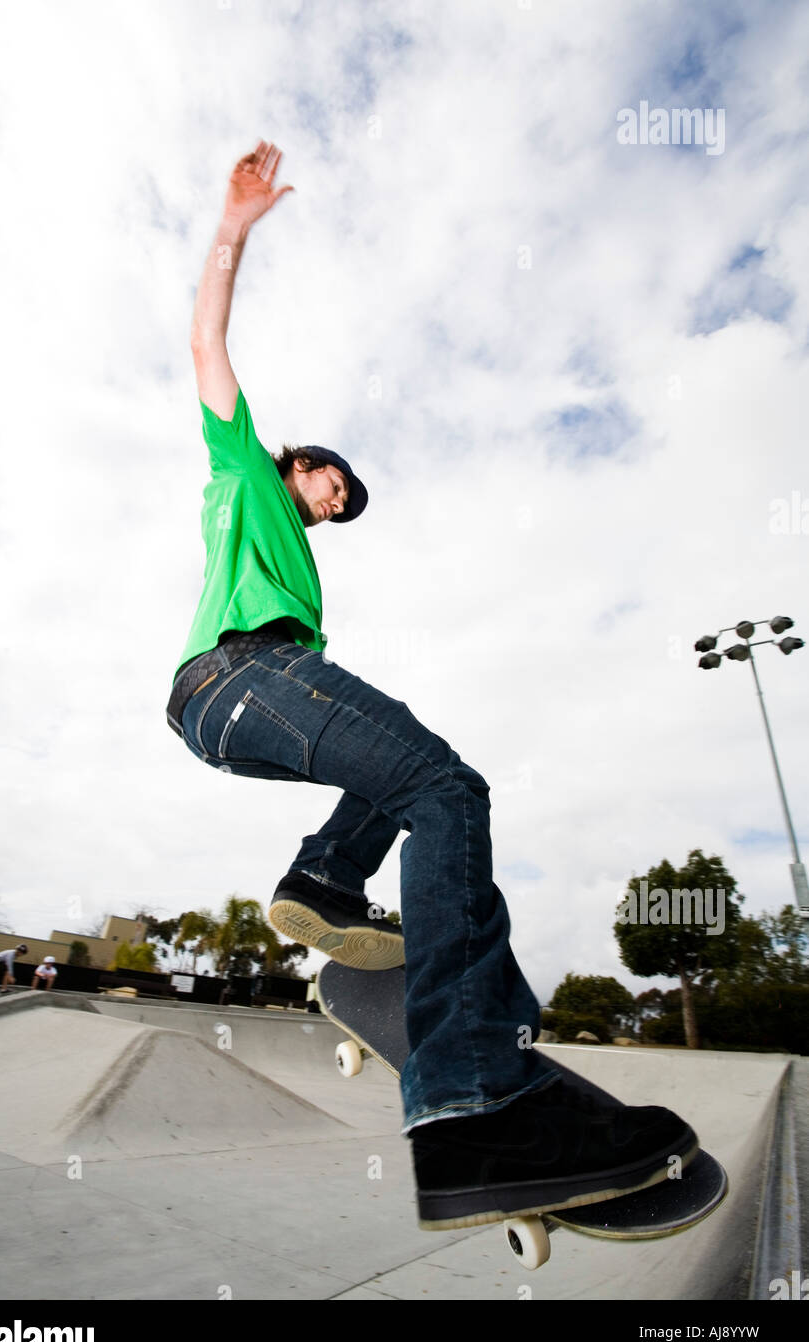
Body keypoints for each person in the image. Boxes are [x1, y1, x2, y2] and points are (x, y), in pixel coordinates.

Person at [166, 141, 697, 1229]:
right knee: (450, 790)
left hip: (239, 696)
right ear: (299, 460)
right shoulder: (238, 465)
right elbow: (205, 337)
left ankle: (321, 884)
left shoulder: (298, 558)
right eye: (330, 484)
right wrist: (235, 227)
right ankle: (469, 1102)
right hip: (240, 671)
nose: (331, 503)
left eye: (339, 506)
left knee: (419, 772)